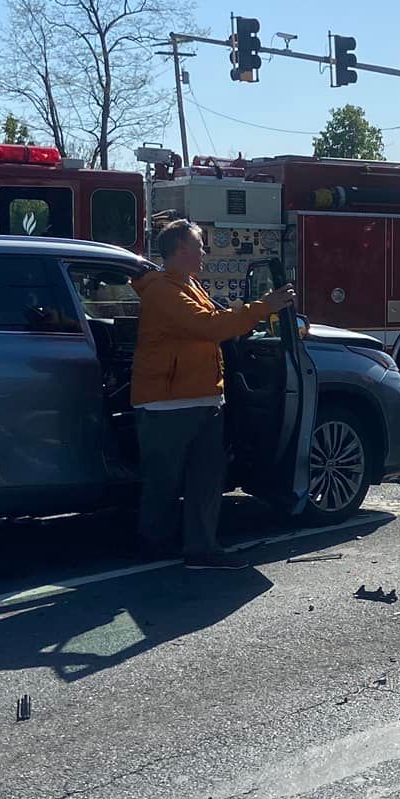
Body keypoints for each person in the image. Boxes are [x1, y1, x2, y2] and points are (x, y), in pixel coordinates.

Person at [130, 220, 297, 570]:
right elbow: (210, 327)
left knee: (206, 480)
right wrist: (263, 307)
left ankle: (201, 549)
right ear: (180, 250)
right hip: (168, 403)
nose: (204, 251)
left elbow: (217, 320)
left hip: (203, 398)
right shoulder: (163, 290)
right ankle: (155, 547)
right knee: (164, 480)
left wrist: (252, 313)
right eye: (199, 245)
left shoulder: (188, 285)